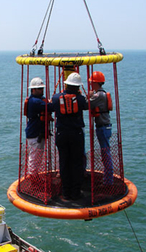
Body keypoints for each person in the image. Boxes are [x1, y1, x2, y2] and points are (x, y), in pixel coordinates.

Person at [48, 72, 88, 200]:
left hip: (62, 134)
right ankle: (76, 192)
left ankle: (65, 192)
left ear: (66, 84)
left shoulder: (56, 98)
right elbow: (87, 106)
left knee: (64, 163)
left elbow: (50, 107)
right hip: (76, 134)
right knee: (76, 163)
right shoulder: (81, 99)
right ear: (78, 87)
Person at [89, 71, 113, 185]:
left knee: (105, 153)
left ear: (95, 83)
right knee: (105, 152)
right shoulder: (102, 94)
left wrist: (89, 96)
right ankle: (107, 178)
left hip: (102, 127)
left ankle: (108, 180)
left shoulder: (98, 95)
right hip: (106, 126)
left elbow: (87, 104)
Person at [25, 77, 47, 179]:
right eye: (39, 88)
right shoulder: (35, 101)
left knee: (38, 156)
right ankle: (33, 177)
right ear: (33, 90)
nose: (42, 90)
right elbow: (49, 106)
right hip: (34, 133)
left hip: (37, 132)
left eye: (42, 88)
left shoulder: (37, 100)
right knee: (34, 157)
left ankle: (35, 176)